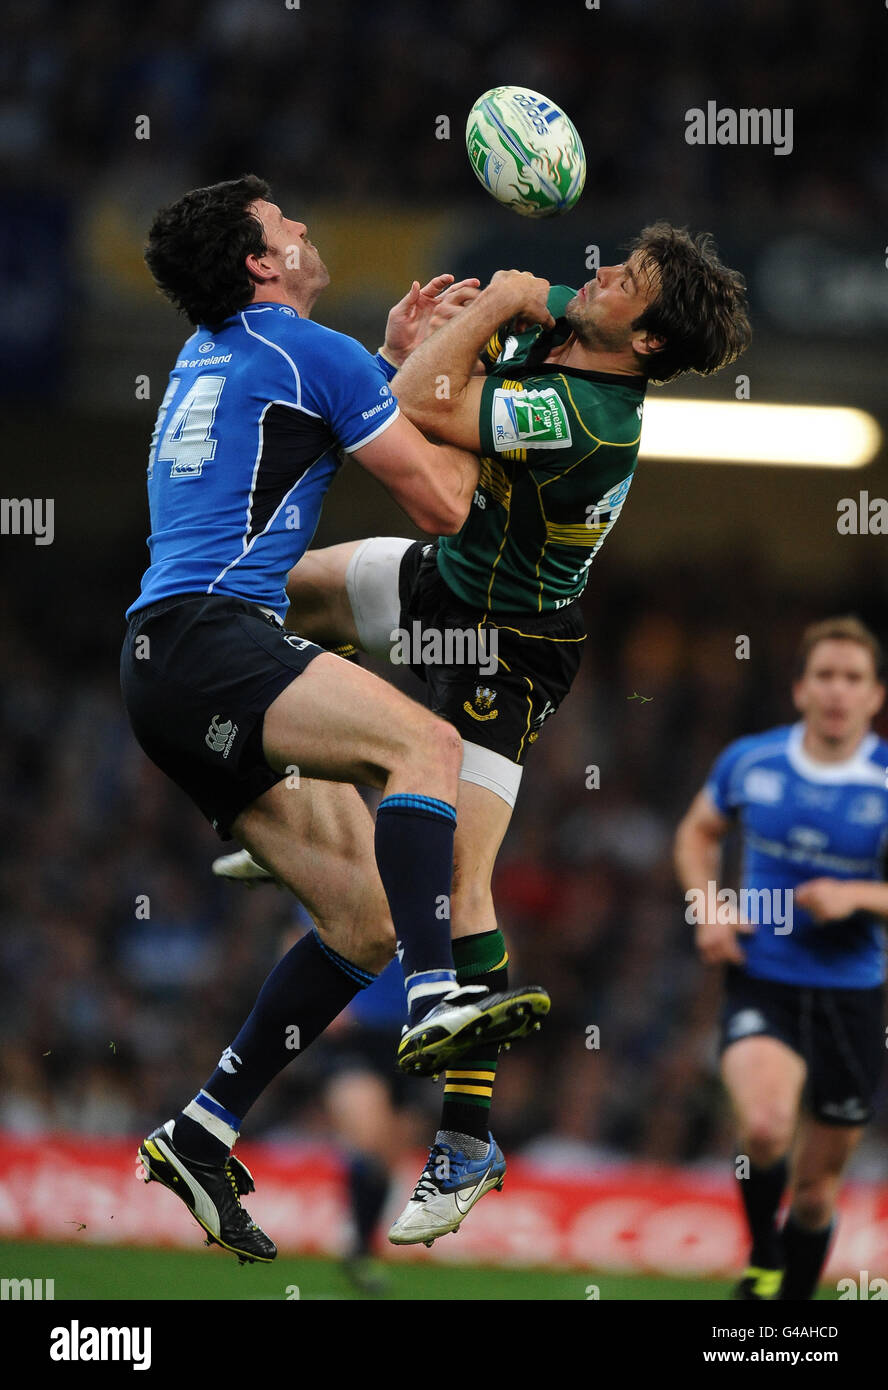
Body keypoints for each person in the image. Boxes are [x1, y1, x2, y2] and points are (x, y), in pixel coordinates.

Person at [219, 223, 753, 1244]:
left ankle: (468, 1141)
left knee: (460, 883)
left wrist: (490, 312)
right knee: (263, 601)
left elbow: (414, 409)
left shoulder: (592, 413)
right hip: (443, 583)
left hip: (504, 646)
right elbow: (532, 303)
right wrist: (463, 315)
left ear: (643, 342)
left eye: (625, 280)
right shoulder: (585, 326)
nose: (594, 276)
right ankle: (283, 797)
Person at [120, 175, 550, 1264]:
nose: (304, 227)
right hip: (219, 639)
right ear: (262, 263)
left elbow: (298, 417)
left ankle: (204, 1129)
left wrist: (391, 359)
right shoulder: (312, 354)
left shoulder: (227, 352)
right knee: (428, 744)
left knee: (359, 917)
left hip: (159, 663)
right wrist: (470, 350)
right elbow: (448, 505)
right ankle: (441, 994)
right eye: (284, 225)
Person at [674, 616, 888, 1300]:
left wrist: (858, 894)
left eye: (852, 678)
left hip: (853, 999)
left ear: (874, 697)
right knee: (764, 1129)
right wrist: (708, 905)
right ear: (799, 689)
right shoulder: (752, 761)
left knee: (819, 1190)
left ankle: (790, 1312)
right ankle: (762, 1258)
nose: (837, 691)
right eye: (824, 675)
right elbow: (697, 833)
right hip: (763, 978)